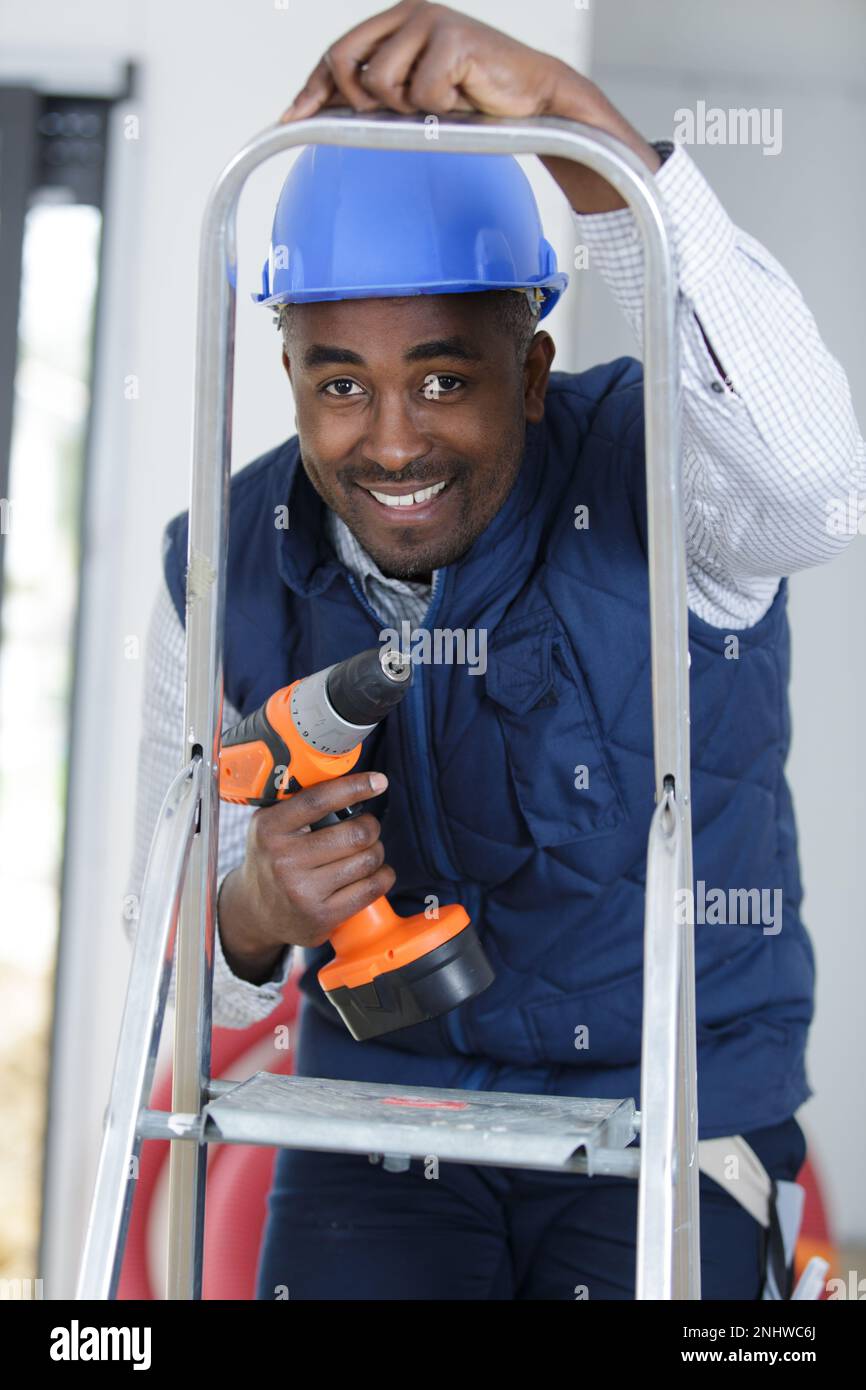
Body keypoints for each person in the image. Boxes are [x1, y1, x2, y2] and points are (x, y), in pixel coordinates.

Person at [127, 1, 865, 1299]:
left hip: (676, 1110)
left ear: (529, 370)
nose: (393, 439)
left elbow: (820, 481)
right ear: (289, 371)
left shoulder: (662, 480)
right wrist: (252, 914)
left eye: (445, 377)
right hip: (382, 1113)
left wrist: (583, 139)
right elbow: (168, 933)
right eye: (339, 381)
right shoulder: (222, 559)